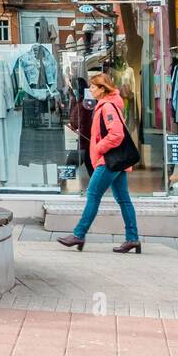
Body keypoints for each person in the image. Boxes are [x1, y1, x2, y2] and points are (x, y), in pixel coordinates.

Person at [57, 72, 141, 254]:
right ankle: (132, 238)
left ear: (103, 89)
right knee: (123, 199)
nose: (91, 90)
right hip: (117, 160)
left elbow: (116, 134)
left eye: (94, 87)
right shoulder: (109, 104)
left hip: (109, 160)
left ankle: (79, 234)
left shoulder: (107, 107)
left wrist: (98, 148)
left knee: (93, 194)